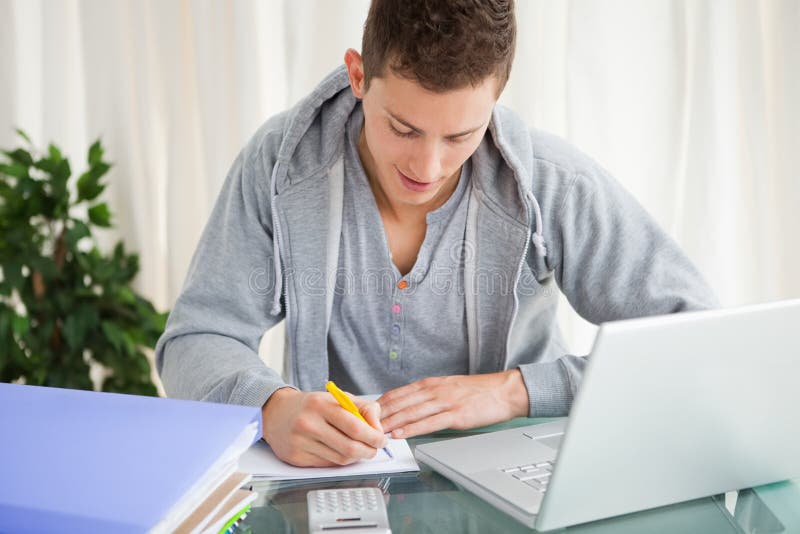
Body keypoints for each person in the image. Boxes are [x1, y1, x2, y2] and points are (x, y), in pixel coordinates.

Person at [156, 0, 717, 467]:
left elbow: (696, 340)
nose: (427, 167)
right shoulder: (280, 165)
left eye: (461, 135)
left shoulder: (553, 182)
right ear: (357, 75)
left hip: (524, 474)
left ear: (496, 99)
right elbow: (196, 339)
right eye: (403, 127)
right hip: (344, 485)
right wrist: (270, 404)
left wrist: (514, 391)